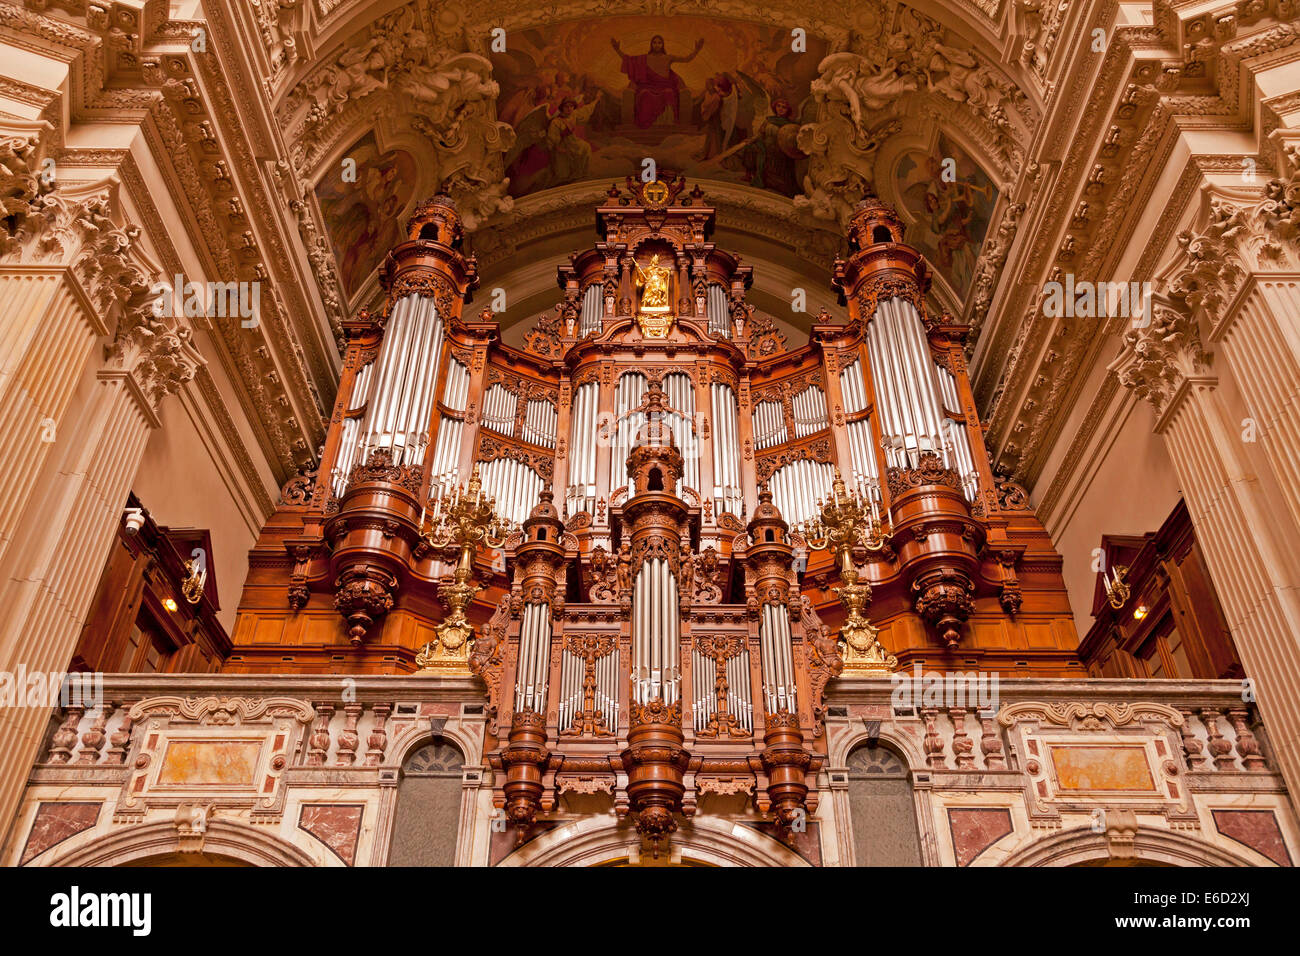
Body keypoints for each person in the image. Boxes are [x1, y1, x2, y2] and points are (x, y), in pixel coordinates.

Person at [611, 35, 703, 128]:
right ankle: (647, 123)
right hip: (648, 87)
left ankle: (667, 123)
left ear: (662, 45)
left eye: (659, 43)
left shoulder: (668, 58)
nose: (657, 45)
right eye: (654, 42)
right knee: (644, 94)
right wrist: (617, 50)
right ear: (651, 44)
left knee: (668, 93)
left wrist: (697, 50)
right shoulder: (645, 58)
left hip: (665, 87)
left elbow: (686, 59)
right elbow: (629, 59)